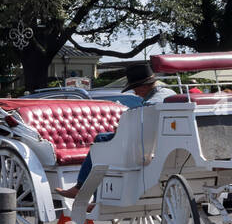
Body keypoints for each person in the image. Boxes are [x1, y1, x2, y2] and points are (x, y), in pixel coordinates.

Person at [55, 62, 176, 199]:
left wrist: (121, 130)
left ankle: (81, 187)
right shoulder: (170, 92)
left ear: (143, 86)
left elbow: (139, 128)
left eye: (135, 88)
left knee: (101, 139)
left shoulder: (150, 104)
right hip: (163, 143)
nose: (135, 93)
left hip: (143, 146)